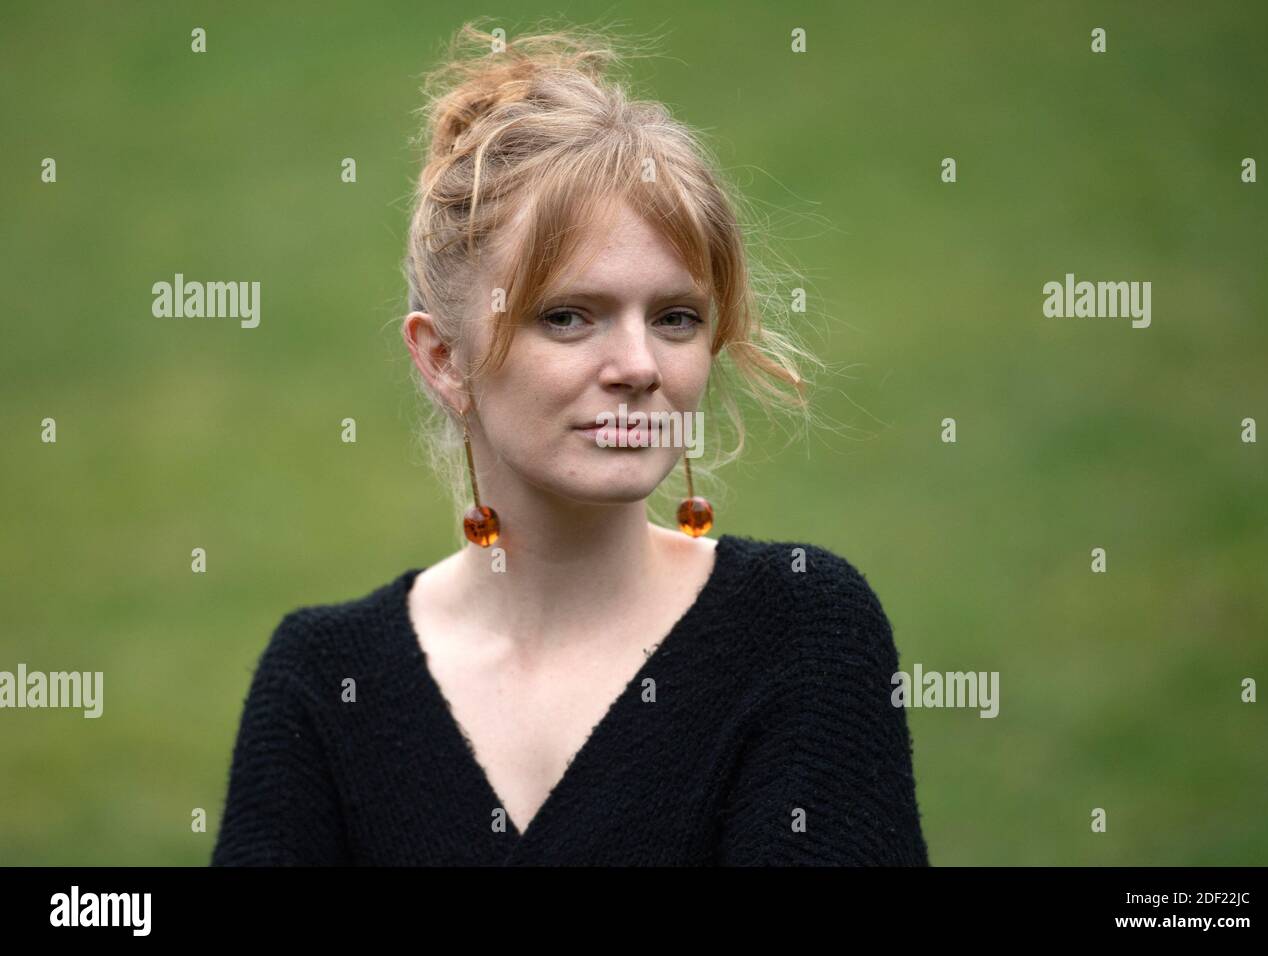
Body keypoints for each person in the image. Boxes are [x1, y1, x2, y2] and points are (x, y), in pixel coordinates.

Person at [211, 20, 928, 866]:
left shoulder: (802, 628)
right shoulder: (327, 682)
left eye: (676, 317)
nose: (638, 365)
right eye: (567, 316)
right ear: (444, 358)